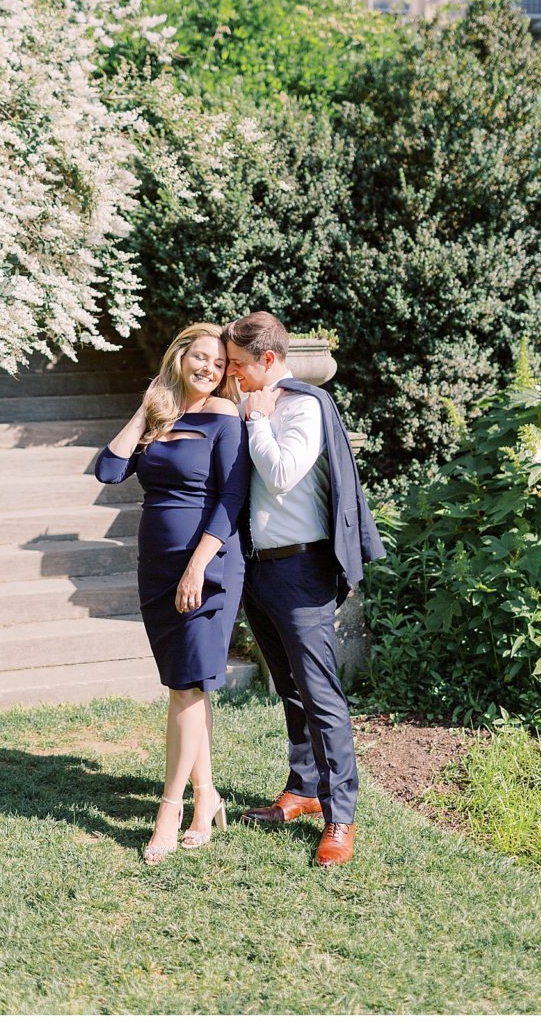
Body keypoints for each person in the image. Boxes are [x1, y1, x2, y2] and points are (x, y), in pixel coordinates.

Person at [223, 312, 385, 868]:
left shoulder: (304, 406)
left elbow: (283, 472)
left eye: (240, 365)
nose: (234, 374)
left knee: (321, 696)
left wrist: (258, 421)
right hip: (259, 567)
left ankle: (341, 816)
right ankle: (304, 789)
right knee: (290, 689)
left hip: (303, 569)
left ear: (268, 360)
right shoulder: (251, 403)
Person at [95, 323, 249, 864]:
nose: (209, 368)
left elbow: (232, 499)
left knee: (187, 687)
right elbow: (110, 470)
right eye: (200, 357)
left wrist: (196, 568)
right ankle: (207, 797)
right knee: (186, 686)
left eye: (219, 363)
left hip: (205, 566)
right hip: (156, 565)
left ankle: (171, 808)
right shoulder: (162, 418)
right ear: (179, 357)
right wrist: (147, 408)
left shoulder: (226, 418)